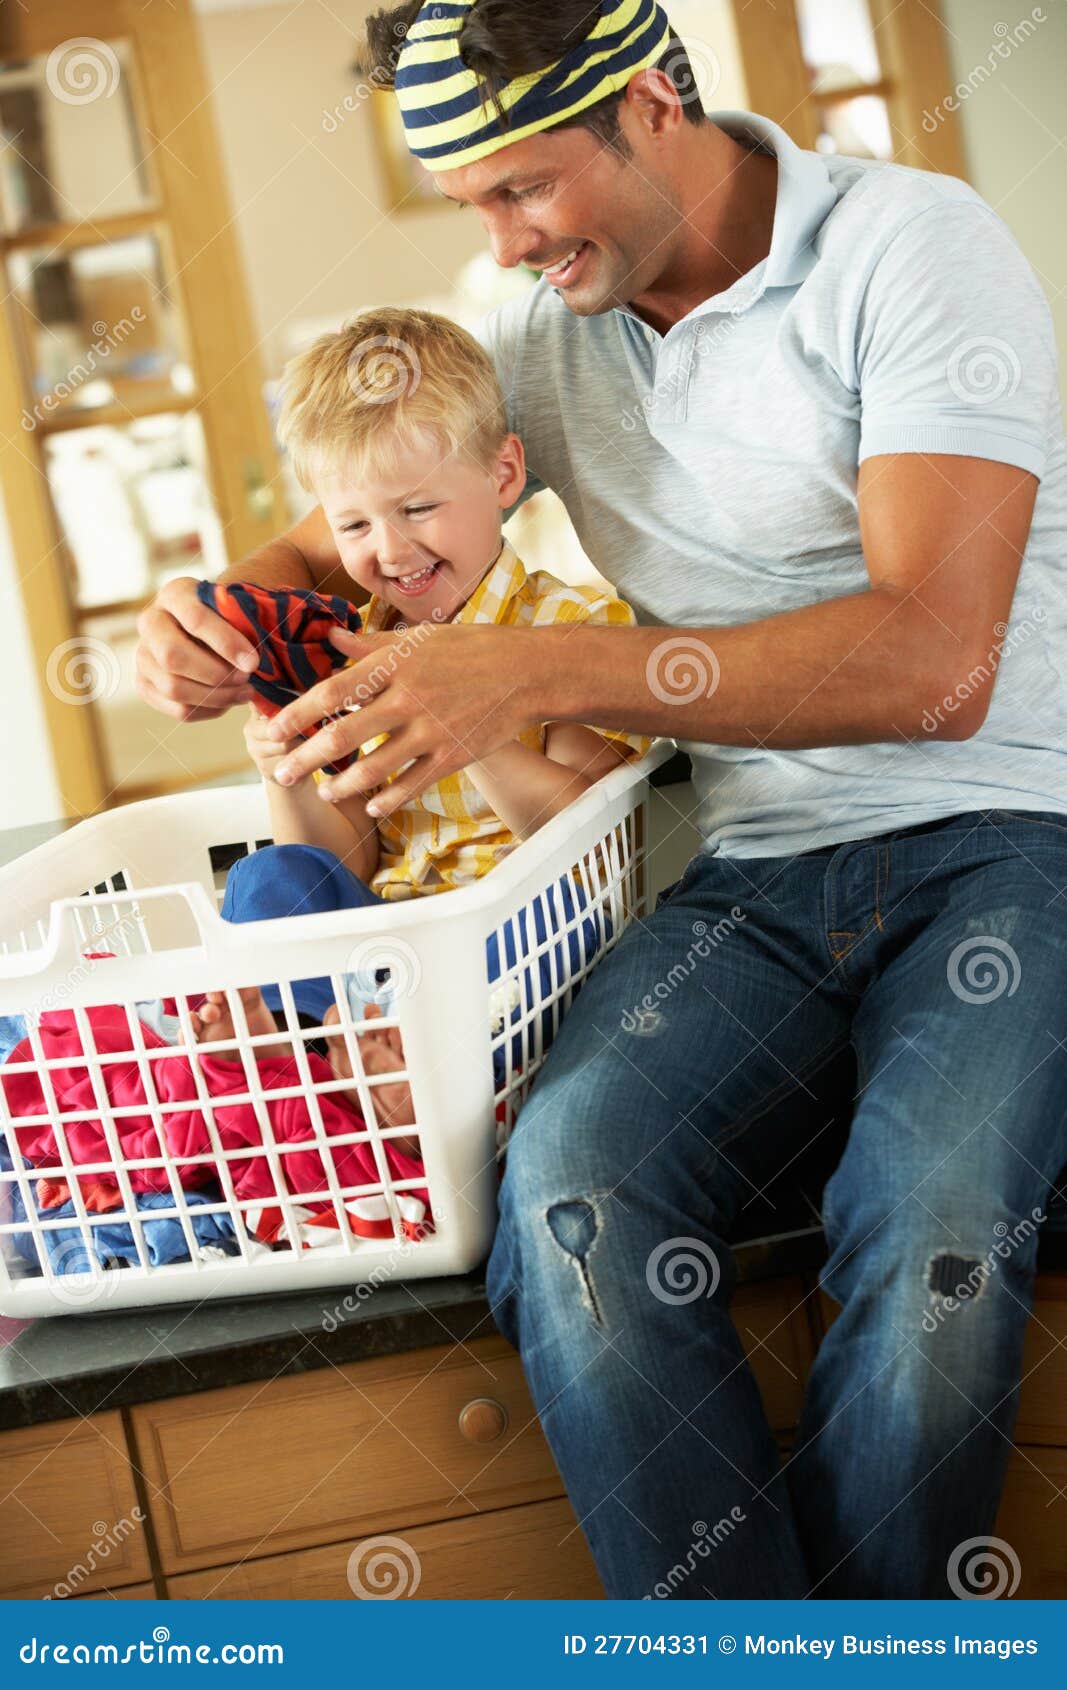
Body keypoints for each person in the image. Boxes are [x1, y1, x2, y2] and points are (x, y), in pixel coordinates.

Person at [134, 0, 1067, 1599]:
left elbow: (932, 667)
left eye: (521, 189)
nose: (497, 246)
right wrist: (218, 620)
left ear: (646, 106)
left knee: (931, 1229)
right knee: (567, 1195)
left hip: (1004, 838)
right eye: (465, 204)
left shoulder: (908, 246)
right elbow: (337, 535)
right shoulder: (541, 332)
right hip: (752, 870)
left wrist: (538, 677)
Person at [185, 306, 649, 1143]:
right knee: (267, 880)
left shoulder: (569, 626)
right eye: (354, 524)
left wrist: (474, 729)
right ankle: (340, 1055)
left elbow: (589, 829)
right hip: (382, 960)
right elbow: (342, 860)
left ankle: (377, 1069)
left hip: (516, 946)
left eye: (419, 508)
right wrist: (285, 763)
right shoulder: (353, 644)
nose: (389, 551)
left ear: (504, 476)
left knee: (558, 921)